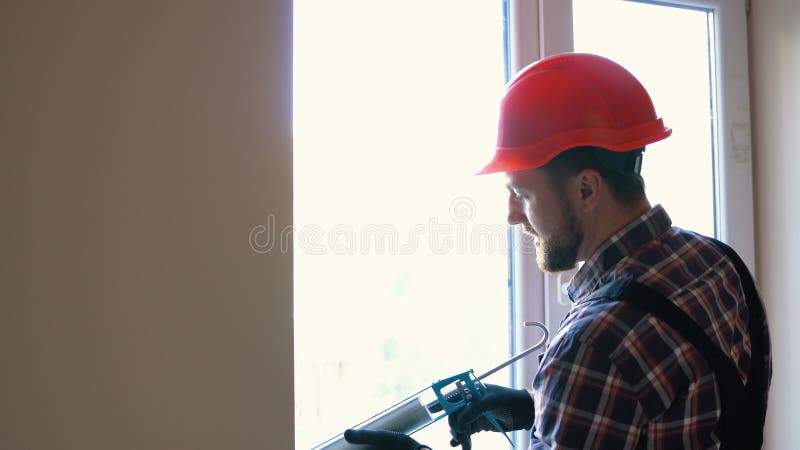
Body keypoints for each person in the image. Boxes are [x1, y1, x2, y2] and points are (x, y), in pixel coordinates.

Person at [344, 53, 771, 450]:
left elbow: (617, 375)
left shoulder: (594, 345)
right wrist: (539, 406)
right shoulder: (716, 262)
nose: (513, 215)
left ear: (586, 189)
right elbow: (672, 414)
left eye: (521, 193)